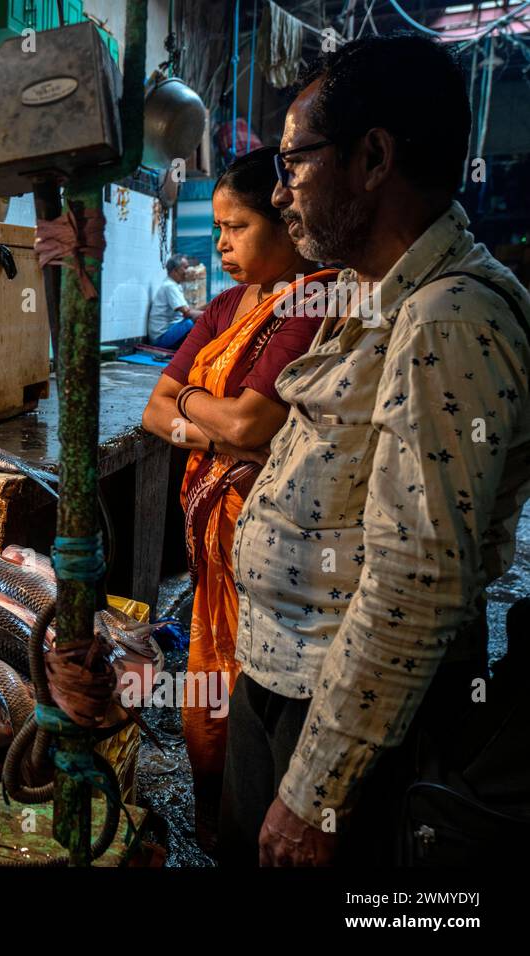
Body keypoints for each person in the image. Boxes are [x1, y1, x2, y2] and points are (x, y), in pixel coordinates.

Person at [220, 34, 530, 866]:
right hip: (288, 680)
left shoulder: (450, 317)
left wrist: (317, 789)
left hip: (353, 728)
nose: (282, 193)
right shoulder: (376, 298)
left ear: (373, 158)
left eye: (295, 164)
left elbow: (418, 580)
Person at [142, 147, 338, 852]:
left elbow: (255, 423)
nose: (220, 243)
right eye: (218, 227)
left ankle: (259, 830)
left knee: (262, 690)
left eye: (238, 226)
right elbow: (153, 410)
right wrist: (211, 416)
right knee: (207, 687)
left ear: (285, 225)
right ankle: (215, 832)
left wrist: (196, 409)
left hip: (272, 541)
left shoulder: (317, 298)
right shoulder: (228, 304)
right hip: (212, 540)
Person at [148, 255, 205, 349]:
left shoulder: (175, 285)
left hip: (169, 332)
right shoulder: (170, 286)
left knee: (197, 318)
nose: (188, 271)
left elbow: (189, 311)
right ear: (175, 271)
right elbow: (187, 313)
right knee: (193, 321)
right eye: (185, 267)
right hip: (160, 339)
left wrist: (211, 306)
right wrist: (209, 314)